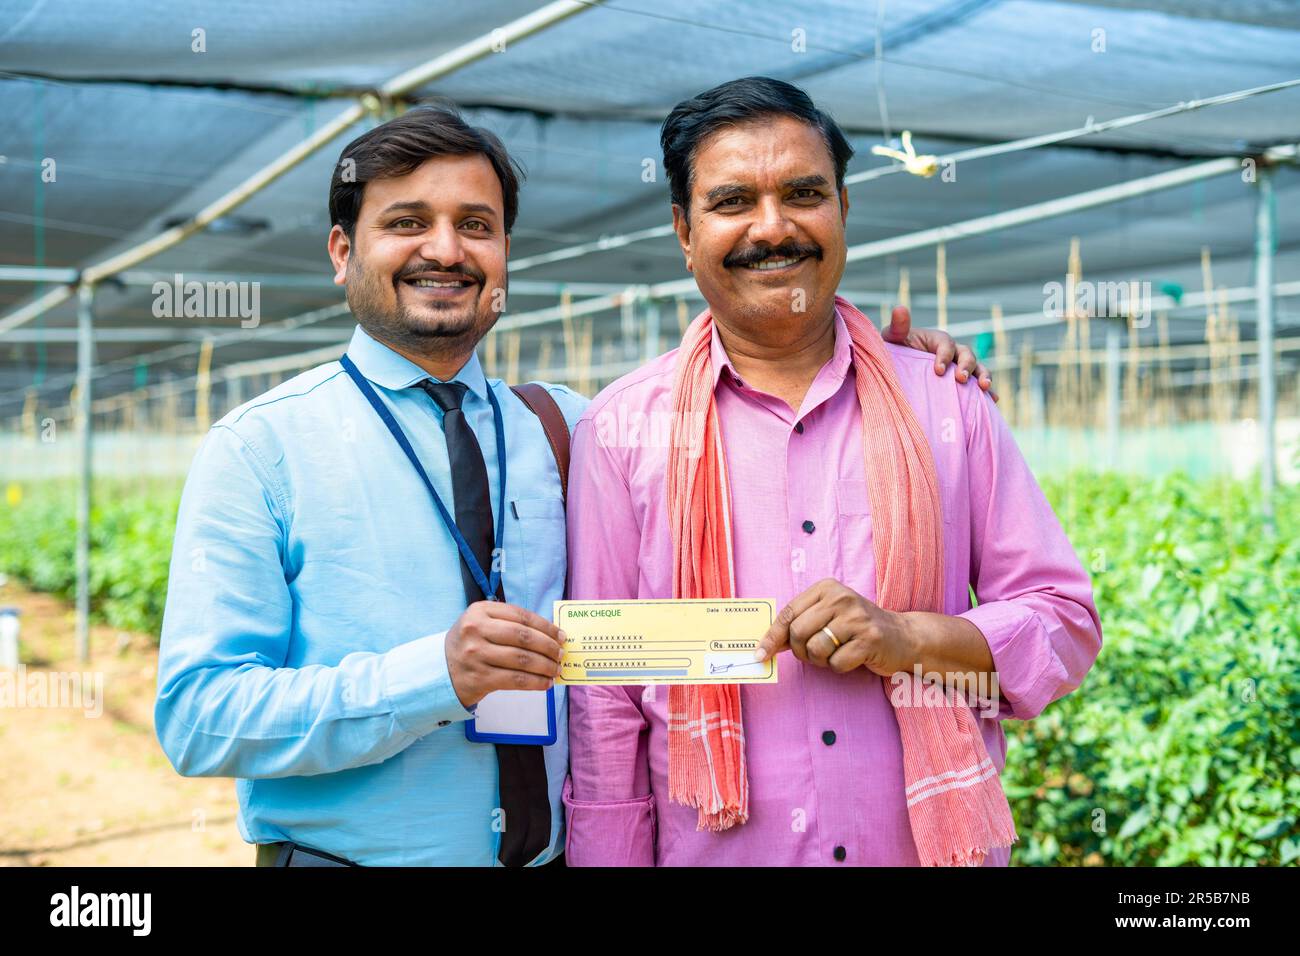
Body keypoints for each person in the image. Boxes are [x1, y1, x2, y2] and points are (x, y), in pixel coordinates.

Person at [154, 103, 988, 867]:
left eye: (475, 225)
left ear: (504, 253)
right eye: (407, 223)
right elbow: (196, 718)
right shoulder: (261, 450)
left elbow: (739, 399)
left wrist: (873, 364)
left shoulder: (570, 429)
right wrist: (430, 680)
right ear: (343, 253)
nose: (445, 250)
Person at [563, 77, 1102, 867]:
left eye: (804, 193)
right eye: (732, 201)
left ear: (844, 207)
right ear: (684, 230)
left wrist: (908, 637)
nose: (773, 228)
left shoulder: (947, 403)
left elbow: (1065, 623)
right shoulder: (622, 429)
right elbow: (606, 686)